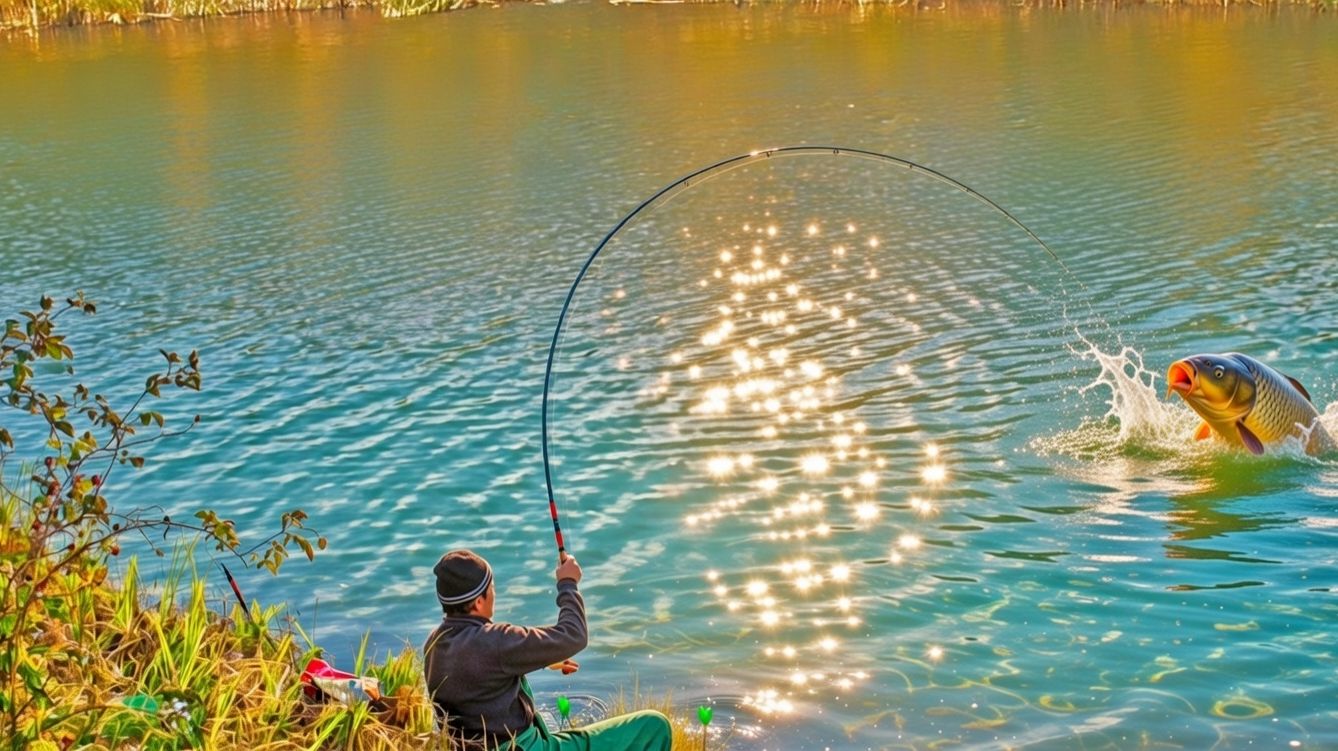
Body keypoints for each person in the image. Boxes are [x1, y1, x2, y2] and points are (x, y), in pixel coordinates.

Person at [424, 549, 672, 751]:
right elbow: (574, 635)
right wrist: (568, 583)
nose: (494, 594)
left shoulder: (434, 645)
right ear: (479, 600)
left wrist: (544, 659)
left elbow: (479, 674)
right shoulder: (495, 640)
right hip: (527, 748)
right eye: (492, 588)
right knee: (654, 725)